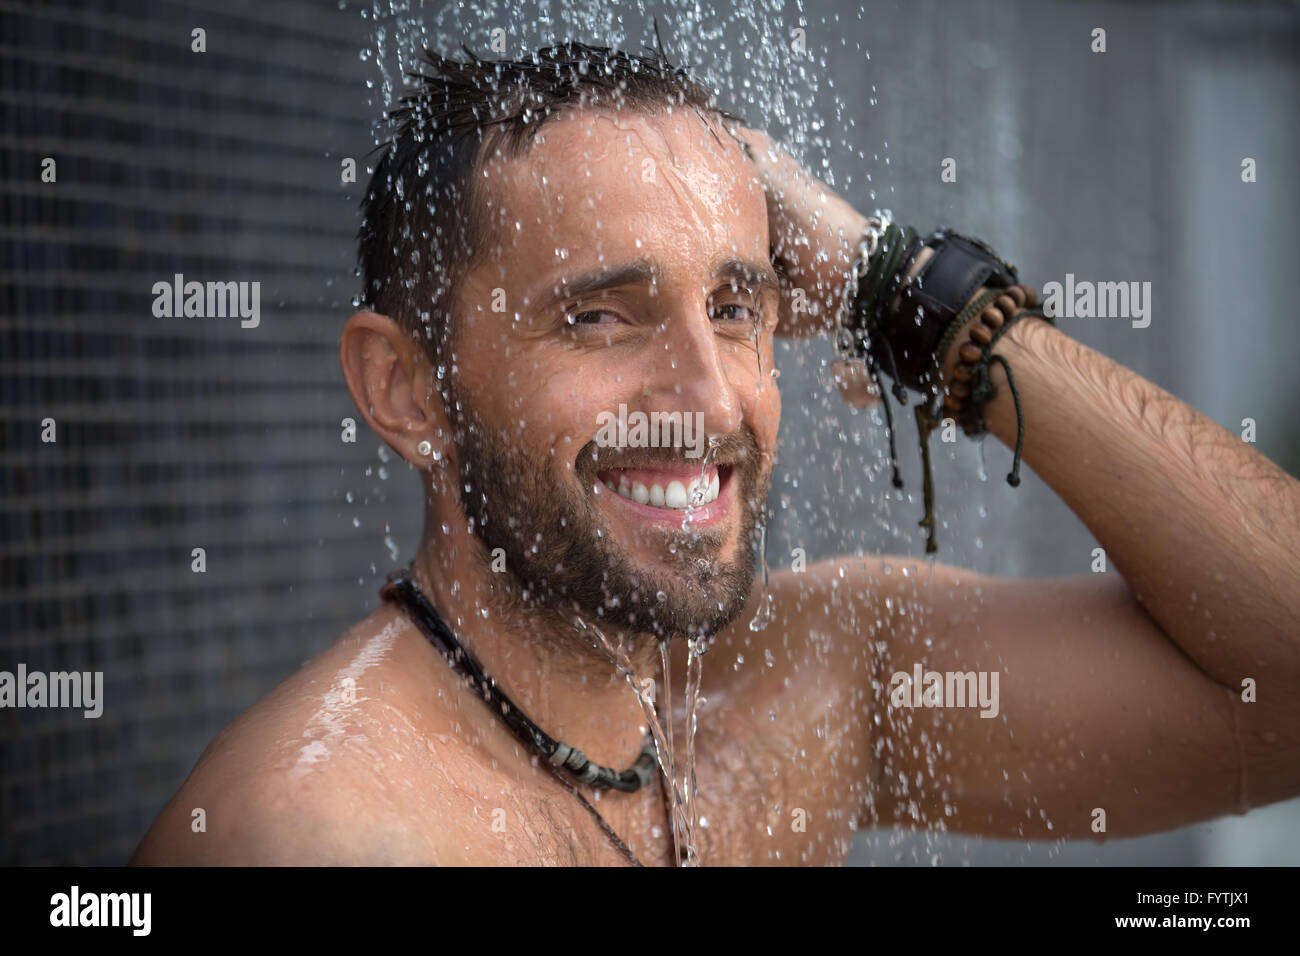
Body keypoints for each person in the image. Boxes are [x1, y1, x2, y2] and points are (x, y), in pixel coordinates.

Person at [131, 41, 1300, 866]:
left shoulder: (818, 687)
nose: (709, 400)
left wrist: (910, 294)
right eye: (601, 314)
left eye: (737, 308)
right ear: (405, 389)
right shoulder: (319, 832)